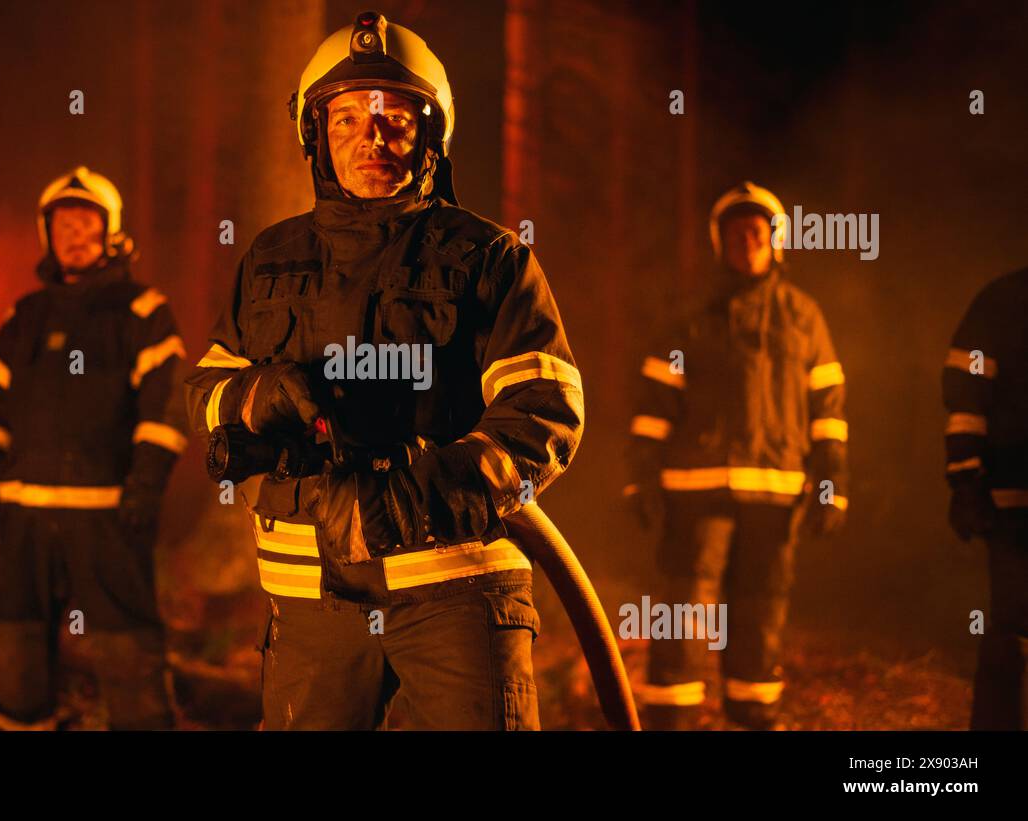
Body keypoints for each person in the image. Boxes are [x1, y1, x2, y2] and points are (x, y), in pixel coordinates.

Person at [185, 12, 584, 730]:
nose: (370, 137)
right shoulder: (270, 259)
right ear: (315, 136)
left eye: (393, 117)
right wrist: (252, 396)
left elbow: (543, 412)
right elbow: (204, 391)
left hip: (456, 596)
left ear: (430, 135)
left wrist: (406, 502)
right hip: (310, 605)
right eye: (345, 120)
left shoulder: (489, 258)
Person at [0, 167, 186, 730]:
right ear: (48, 235)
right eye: (63, 224)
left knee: (125, 640)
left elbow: (164, 409)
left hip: (106, 510)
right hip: (26, 510)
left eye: (87, 222)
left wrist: (145, 483)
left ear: (111, 232)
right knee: (17, 631)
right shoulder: (25, 316)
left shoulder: (142, 312)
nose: (75, 234)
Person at [625, 181, 847, 730]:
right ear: (718, 242)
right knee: (684, 614)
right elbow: (654, 407)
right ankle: (671, 720)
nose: (746, 240)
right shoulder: (690, 316)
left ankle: (755, 714)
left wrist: (832, 483)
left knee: (761, 609)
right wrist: (640, 480)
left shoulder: (804, 318)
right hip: (693, 496)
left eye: (757, 230)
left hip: (776, 495)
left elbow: (828, 410)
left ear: (777, 241)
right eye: (734, 232)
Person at [943, 266, 1028, 730]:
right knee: (1013, 636)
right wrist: (966, 478)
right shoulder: (1002, 302)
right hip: (1013, 505)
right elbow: (966, 395)